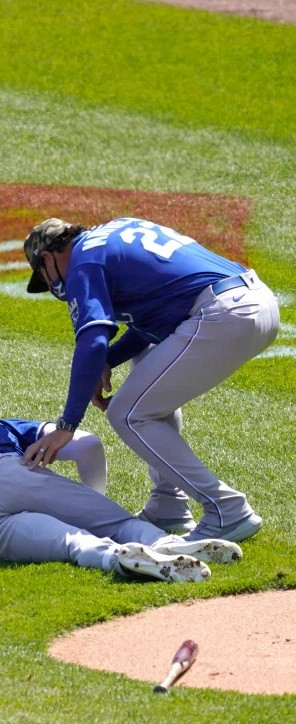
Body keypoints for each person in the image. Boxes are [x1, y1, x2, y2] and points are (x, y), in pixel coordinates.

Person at [21, 217, 279, 543]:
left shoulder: (83, 261)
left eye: (43, 278)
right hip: (253, 301)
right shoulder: (113, 235)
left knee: (129, 414)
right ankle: (168, 505)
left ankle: (227, 509)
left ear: (47, 258)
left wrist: (66, 425)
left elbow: (92, 340)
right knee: (145, 367)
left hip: (223, 313)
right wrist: (108, 361)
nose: (50, 288)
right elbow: (151, 323)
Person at [0, 419, 242, 581]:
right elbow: (87, 445)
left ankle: (118, 559)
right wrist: (94, 510)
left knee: (73, 543)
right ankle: (165, 543)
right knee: (117, 524)